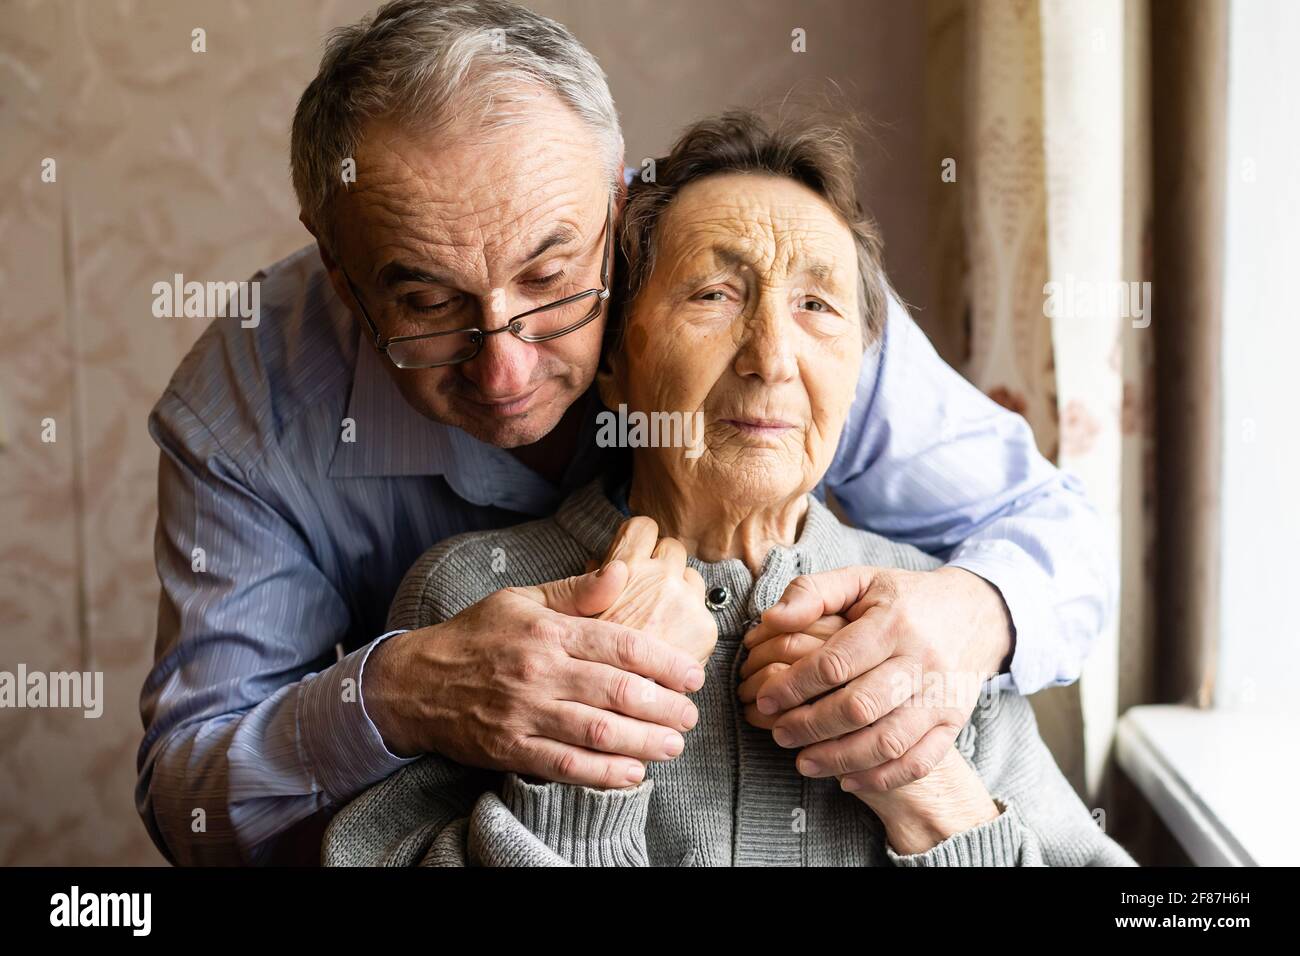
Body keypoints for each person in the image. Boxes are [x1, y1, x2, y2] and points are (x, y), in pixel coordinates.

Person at [139, 0, 1114, 865]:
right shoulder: (265, 413)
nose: (505, 370)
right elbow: (196, 807)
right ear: (341, 270)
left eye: (553, 278)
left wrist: (966, 630)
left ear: (617, 210)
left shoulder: (779, 288)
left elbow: (1054, 536)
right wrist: (407, 688)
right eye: (426, 300)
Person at [323, 111, 1133, 866]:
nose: (772, 357)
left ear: (860, 370)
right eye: (715, 295)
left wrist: (938, 801)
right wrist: (589, 757)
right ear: (614, 360)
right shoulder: (468, 598)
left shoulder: (930, 626)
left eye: (817, 306)